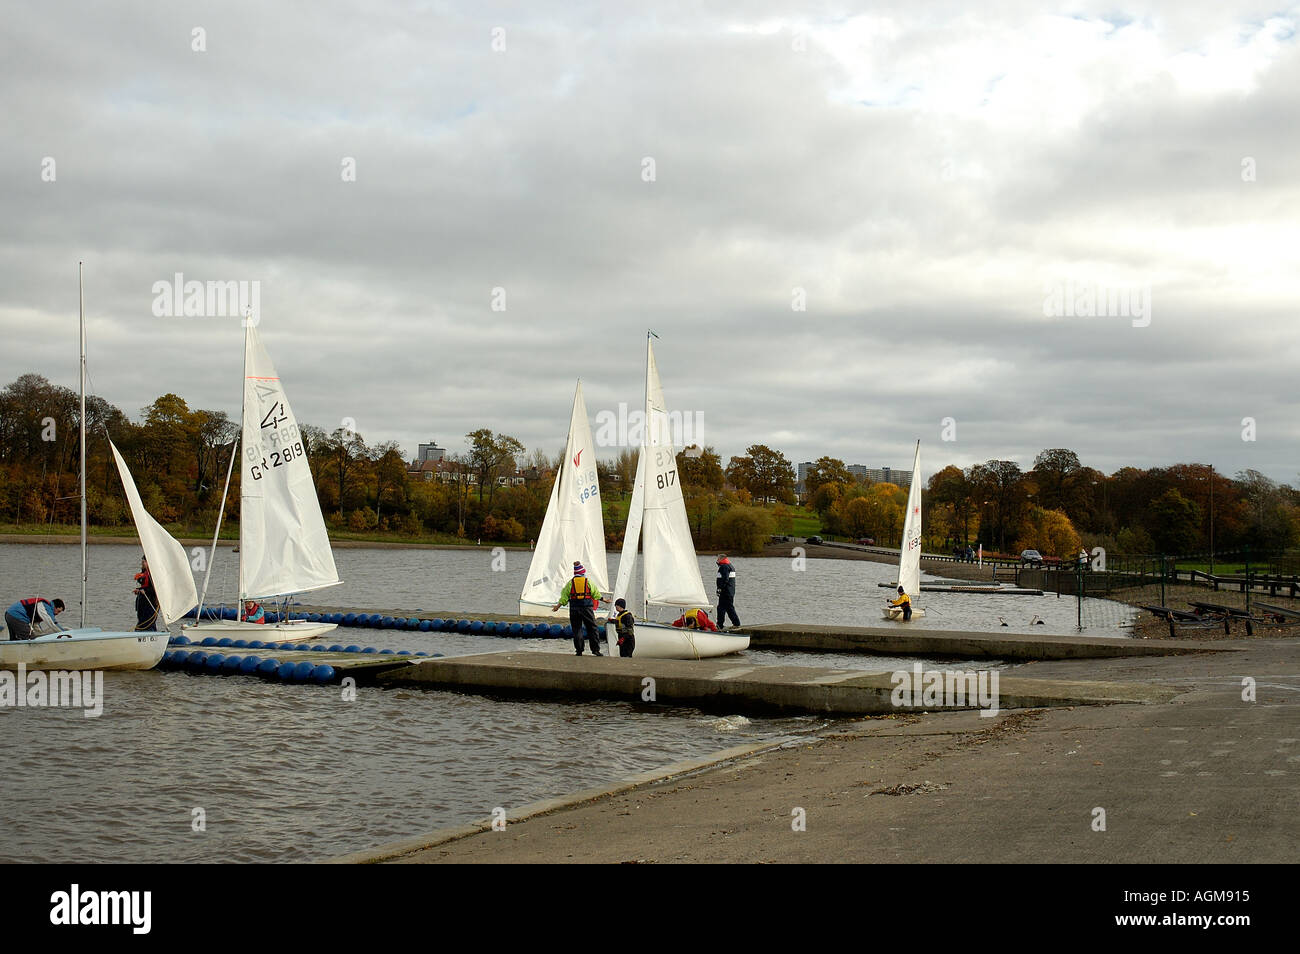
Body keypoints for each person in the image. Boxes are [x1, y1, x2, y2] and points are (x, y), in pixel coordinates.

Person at [552, 561, 604, 656]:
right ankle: (595, 650)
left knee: (577, 629)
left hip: (574, 608)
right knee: (592, 628)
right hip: (586, 607)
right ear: (582, 573)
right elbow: (596, 594)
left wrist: (557, 607)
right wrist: (604, 599)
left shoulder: (570, 583)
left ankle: (579, 650)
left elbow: (564, 597)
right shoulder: (588, 581)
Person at [133, 555, 159, 631]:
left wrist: (145, 591)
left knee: (148, 622)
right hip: (143, 601)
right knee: (141, 620)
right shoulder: (144, 573)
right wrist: (138, 590)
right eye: (142, 561)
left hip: (151, 601)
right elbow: (144, 586)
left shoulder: (153, 574)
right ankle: (139, 632)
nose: (142, 563)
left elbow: (156, 588)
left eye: (144, 561)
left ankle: (150, 633)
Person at [715, 554, 739, 629]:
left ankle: (720, 625)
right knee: (729, 607)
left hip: (725, 591)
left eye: (718, 559)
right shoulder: (730, 566)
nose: (717, 560)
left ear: (721, 559)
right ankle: (736, 623)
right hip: (730, 591)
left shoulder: (724, 567)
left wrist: (720, 589)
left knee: (721, 608)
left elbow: (725, 579)